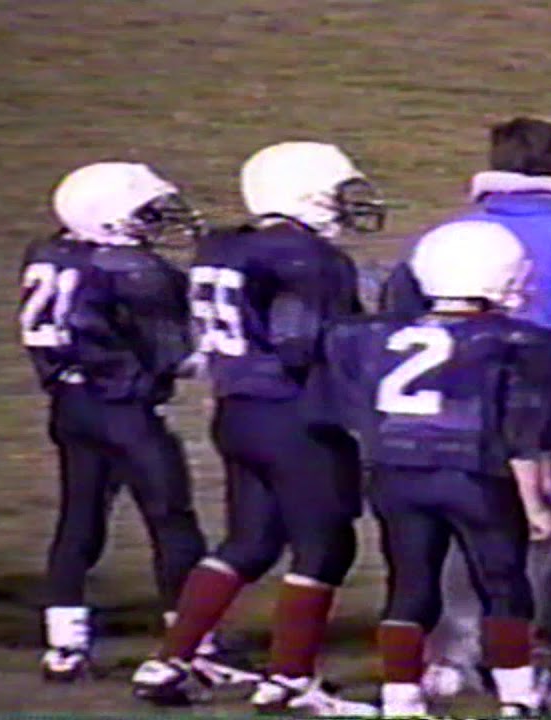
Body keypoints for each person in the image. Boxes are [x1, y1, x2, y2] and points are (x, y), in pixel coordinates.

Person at [381, 116, 551, 712]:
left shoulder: (450, 234)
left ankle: (452, 660)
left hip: (450, 410)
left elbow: (399, 312)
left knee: (457, 539)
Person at [131, 141, 383, 715]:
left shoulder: (223, 245)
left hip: (236, 410)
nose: (345, 207)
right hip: (295, 415)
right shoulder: (310, 259)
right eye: (337, 194)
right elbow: (301, 341)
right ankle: (291, 679)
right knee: (325, 545)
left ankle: (172, 658)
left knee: (250, 542)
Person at [311, 220, 551, 717]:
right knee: (502, 582)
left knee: (409, 583)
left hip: (396, 473)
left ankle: (400, 696)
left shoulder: (365, 335)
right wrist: (536, 504)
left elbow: (348, 413)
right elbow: (522, 434)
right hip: (474, 476)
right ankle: (517, 696)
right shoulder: (522, 342)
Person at [22, 161, 216, 682]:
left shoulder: (49, 252)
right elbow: (175, 357)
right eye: (145, 213)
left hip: (69, 405)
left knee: (79, 519)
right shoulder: (139, 272)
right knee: (171, 518)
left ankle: (64, 644)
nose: (155, 222)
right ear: (107, 218)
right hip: (124, 409)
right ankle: (193, 644)